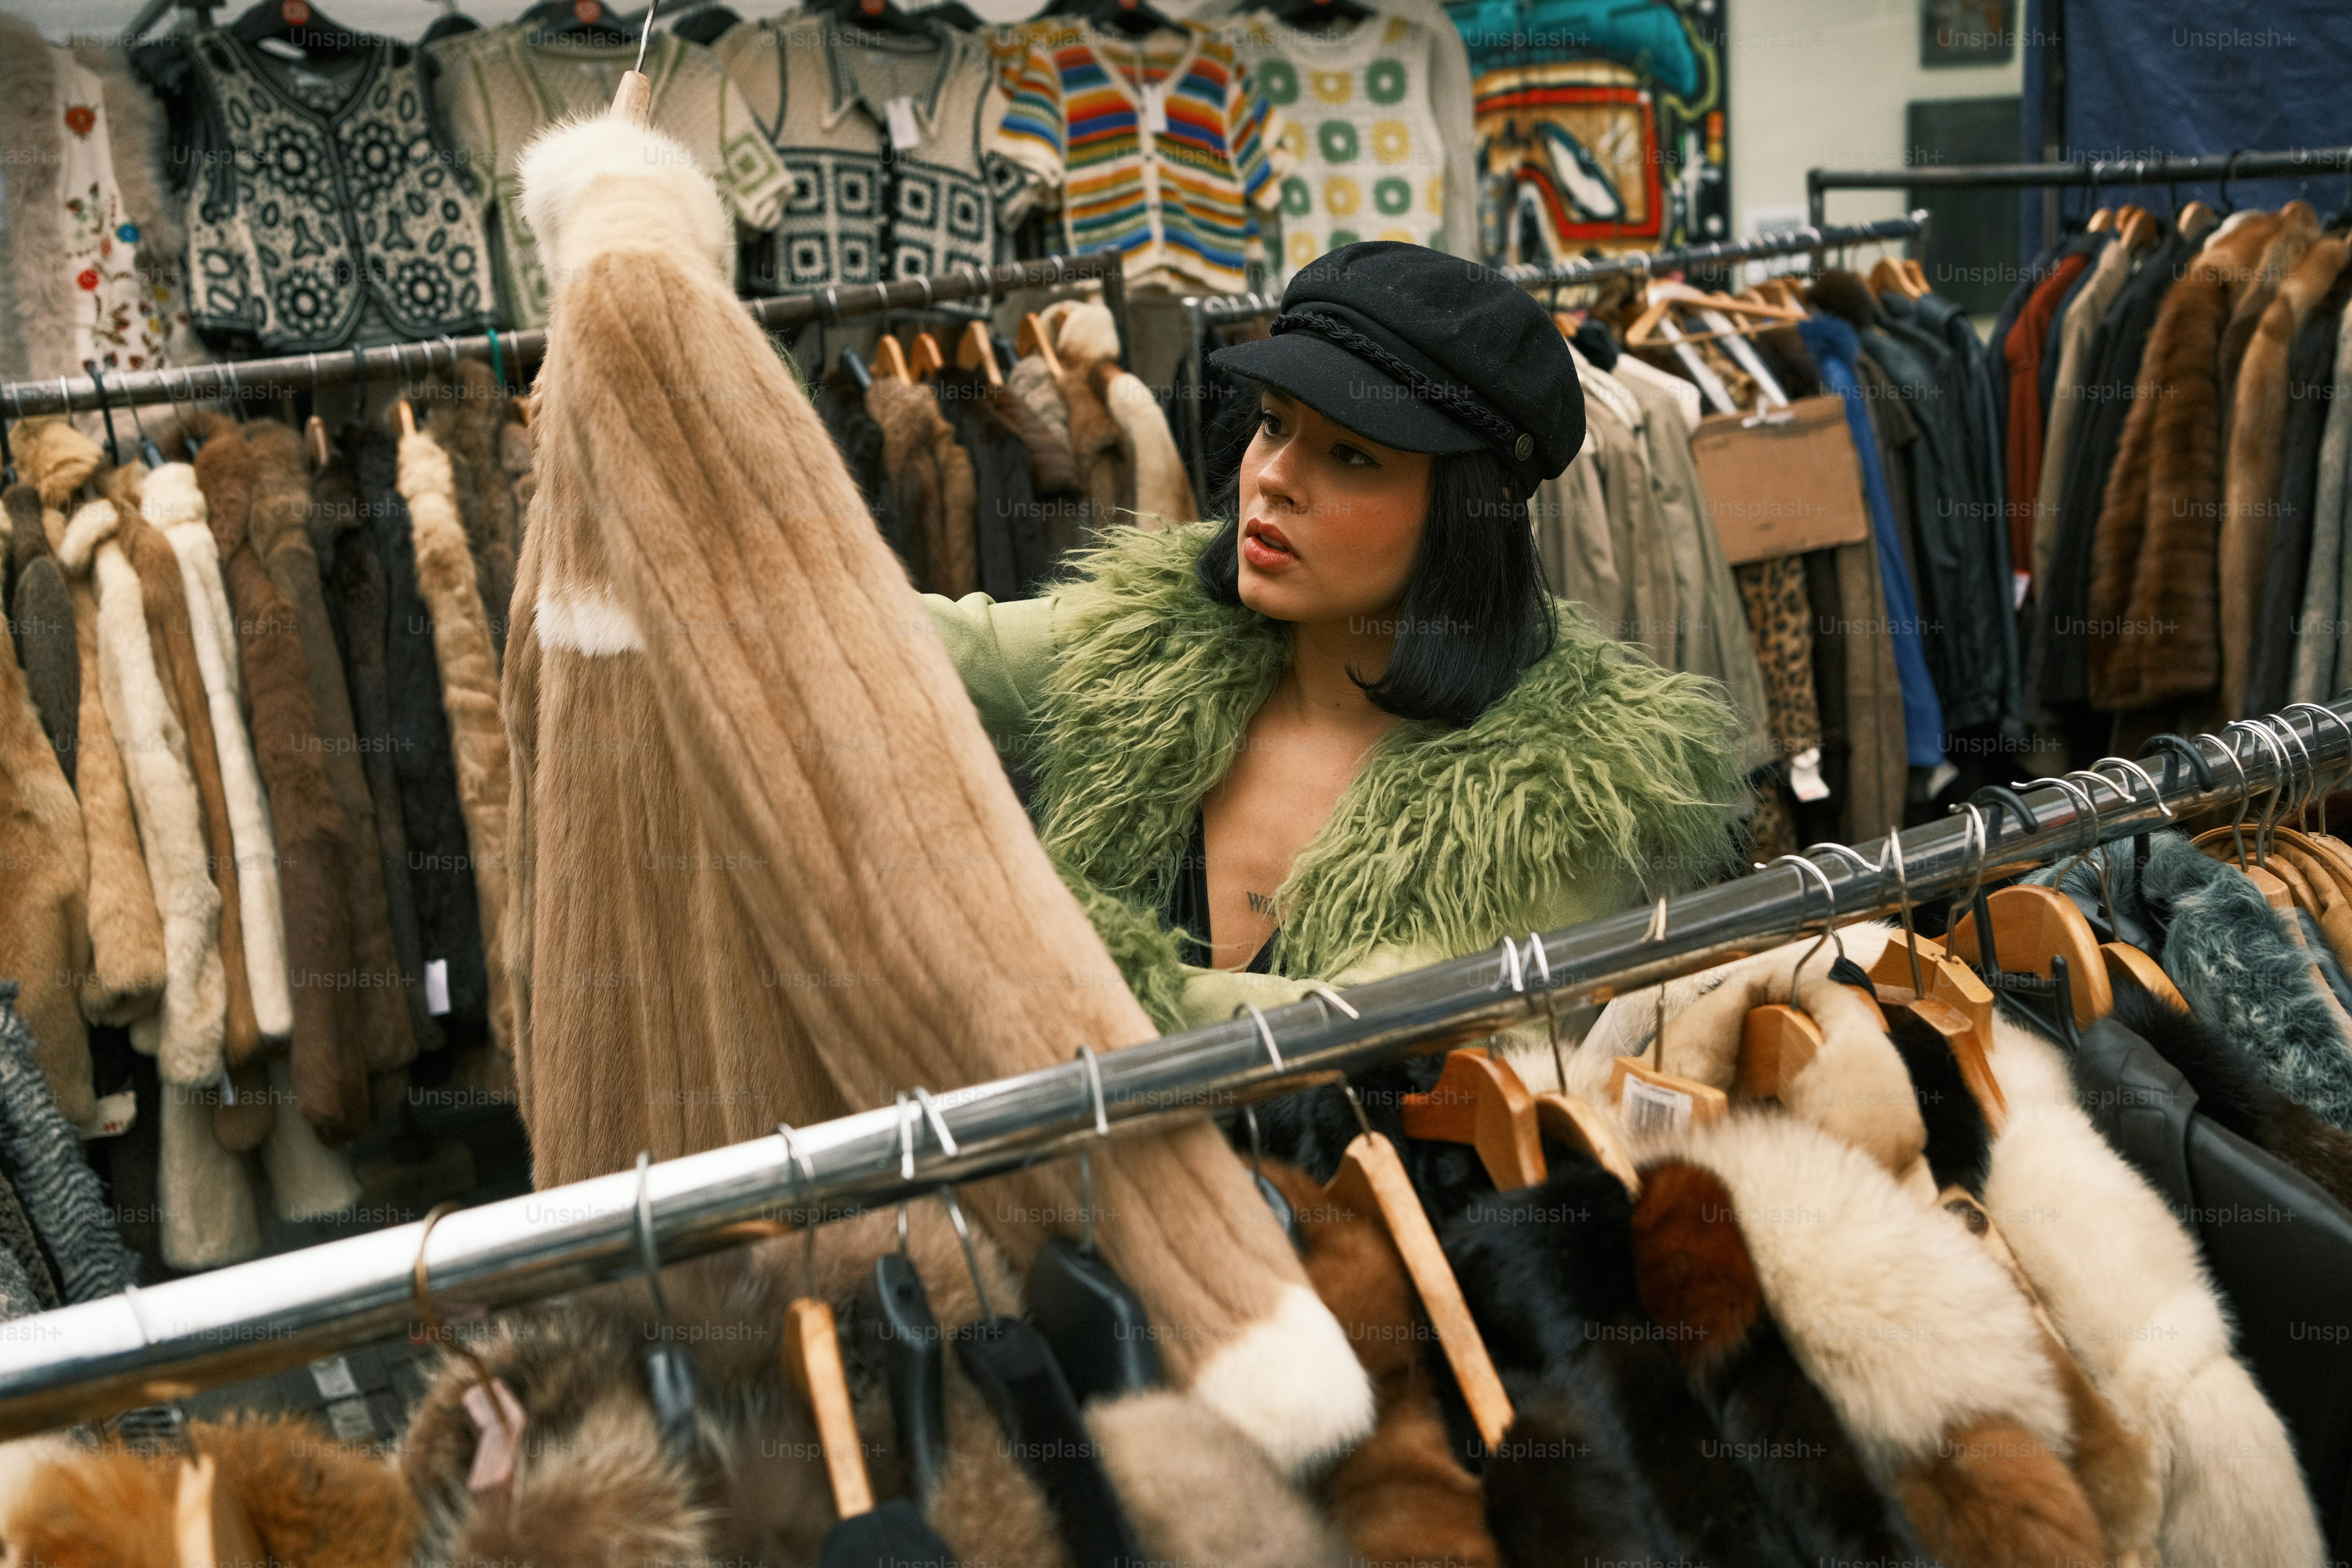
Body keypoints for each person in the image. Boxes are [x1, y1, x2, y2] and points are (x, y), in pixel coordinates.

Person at [925, 242, 1748, 1034]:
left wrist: (1018, 949)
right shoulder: (1150, 640)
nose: (1275, 478)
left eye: (1351, 455)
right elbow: (926, 650)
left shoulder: (1559, 794)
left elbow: (1375, 1033)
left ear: (1466, 511)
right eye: (1275, 425)